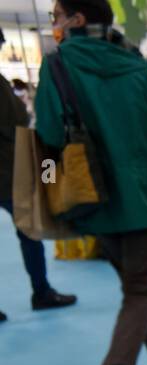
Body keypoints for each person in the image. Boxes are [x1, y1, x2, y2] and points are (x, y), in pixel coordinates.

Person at [36, 0, 147, 365]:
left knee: (139, 284)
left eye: (58, 16)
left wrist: (49, 185)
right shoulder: (137, 65)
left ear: (78, 20)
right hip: (146, 195)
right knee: (141, 286)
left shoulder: (58, 66)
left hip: (93, 198)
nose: (55, 25)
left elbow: (47, 131)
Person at [0, 26, 77, 322]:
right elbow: (16, 119)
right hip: (8, 172)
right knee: (30, 233)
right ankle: (41, 292)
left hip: (9, 170)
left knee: (28, 233)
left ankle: (42, 291)